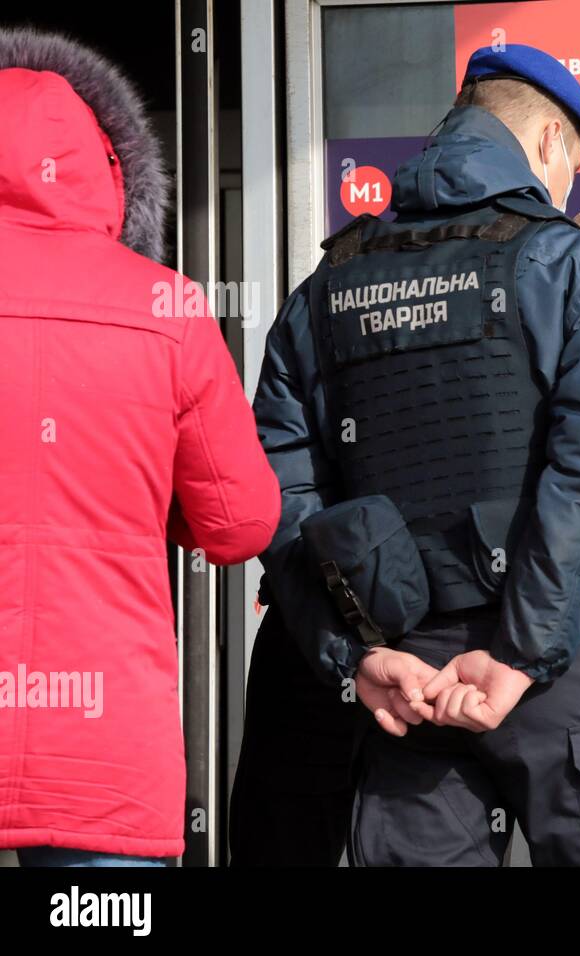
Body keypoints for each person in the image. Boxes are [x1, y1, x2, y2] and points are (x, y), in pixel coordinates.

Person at [252, 43, 580, 867]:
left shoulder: (325, 289)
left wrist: (360, 656)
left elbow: (279, 492)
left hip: (404, 679)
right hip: (555, 671)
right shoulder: (577, 270)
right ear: (550, 143)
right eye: (572, 171)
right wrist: (523, 651)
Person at [0, 29, 280, 866]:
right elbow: (242, 524)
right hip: (104, 750)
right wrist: (146, 497)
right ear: (113, 172)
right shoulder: (167, 308)